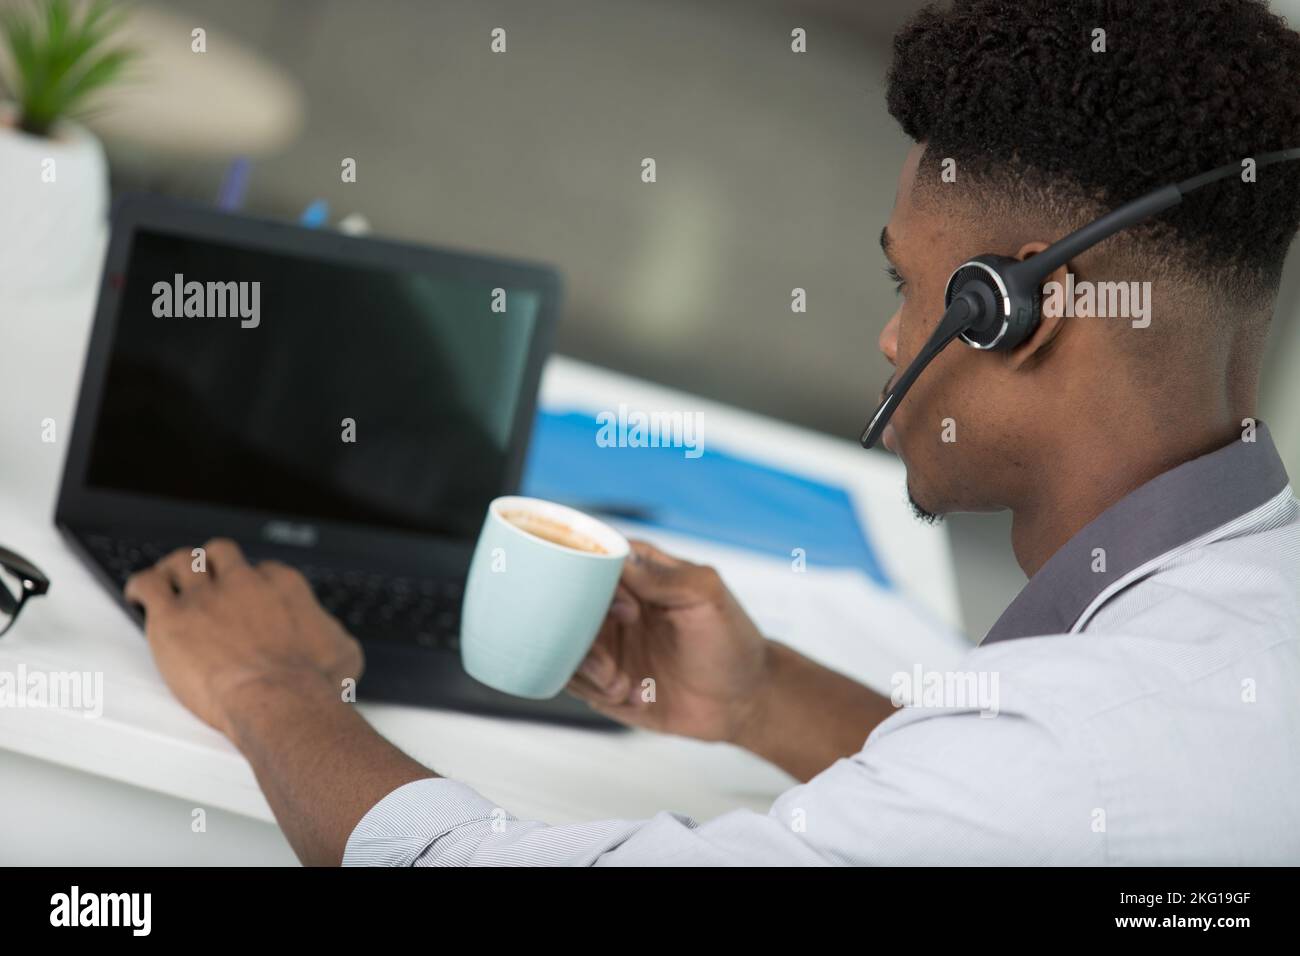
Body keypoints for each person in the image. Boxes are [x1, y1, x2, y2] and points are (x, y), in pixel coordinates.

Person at [125, 0, 1300, 865]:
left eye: (907, 289)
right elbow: (999, 810)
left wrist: (270, 683)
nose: (894, 342)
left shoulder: (1068, 750)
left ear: (1009, 317)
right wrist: (760, 698)